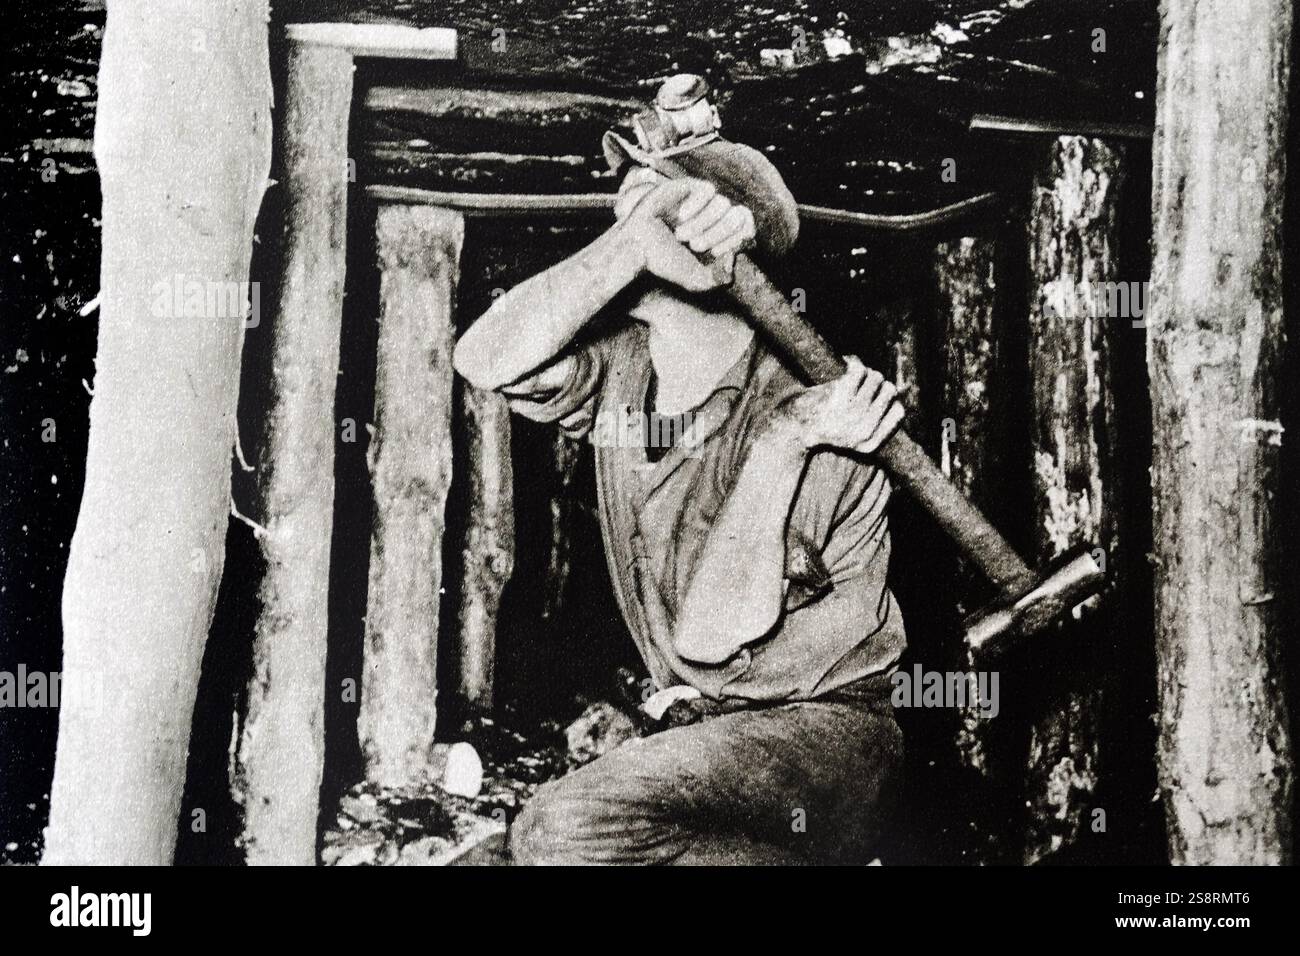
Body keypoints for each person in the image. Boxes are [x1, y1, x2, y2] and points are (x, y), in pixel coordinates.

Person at [453, 131, 908, 865]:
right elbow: (482, 360)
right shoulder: (625, 372)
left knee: (566, 830)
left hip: (824, 738)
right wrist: (633, 242)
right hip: (701, 728)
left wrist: (785, 440)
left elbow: (708, 637)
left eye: (649, 214)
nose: (624, 235)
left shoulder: (818, 418)